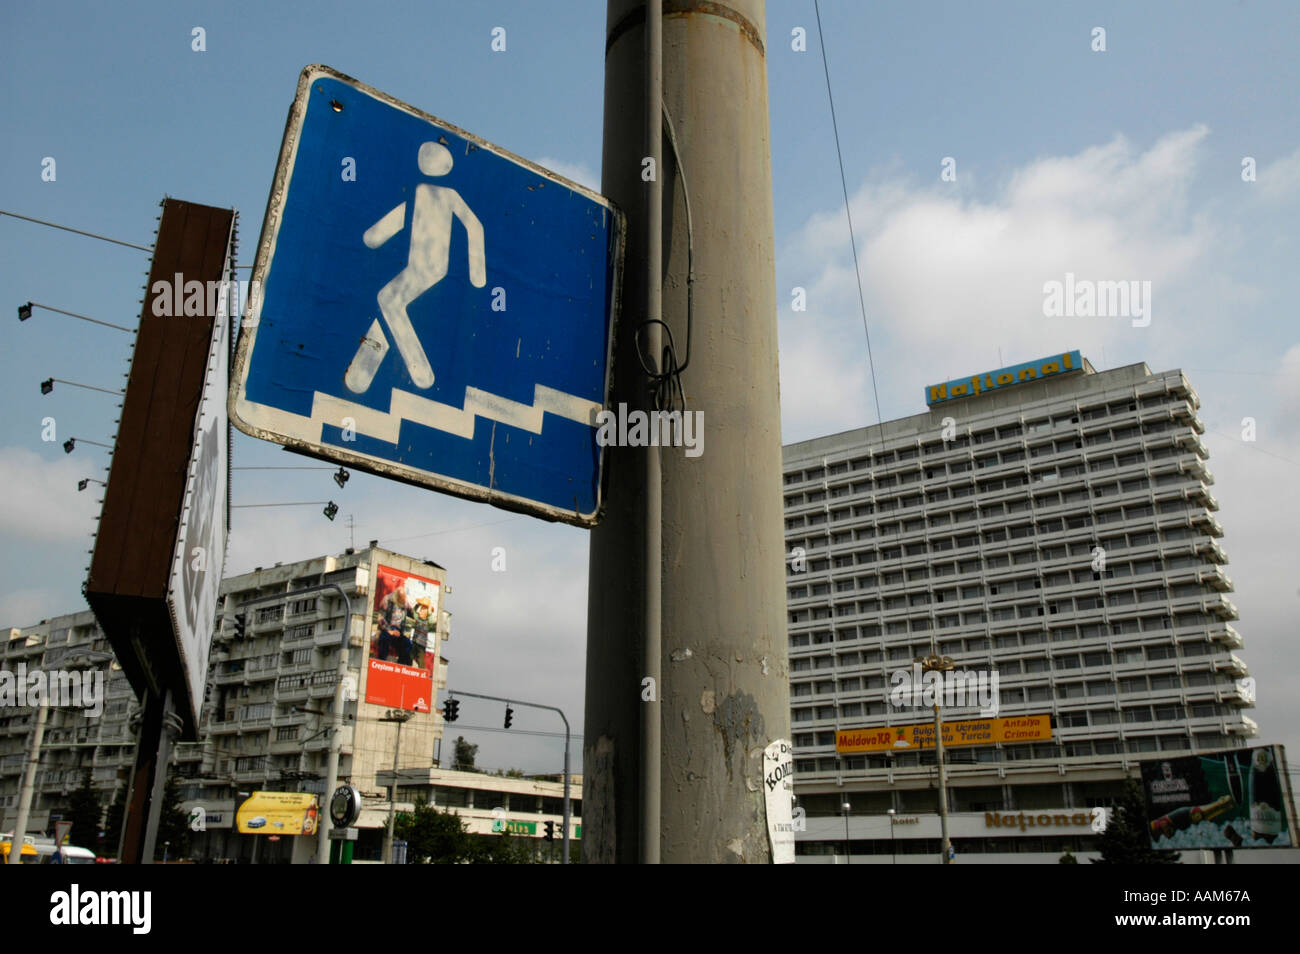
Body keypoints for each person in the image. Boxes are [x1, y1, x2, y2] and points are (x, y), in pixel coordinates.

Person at [375, 583, 409, 661]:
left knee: (407, 644)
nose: (403, 602)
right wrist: (390, 630)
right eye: (401, 599)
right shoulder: (387, 600)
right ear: (397, 597)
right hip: (387, 629)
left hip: (398, 631)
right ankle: (381, 662)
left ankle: (402, 667)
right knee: (384, 640)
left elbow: (412, 610)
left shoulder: (405, 603)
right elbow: (380, 618)